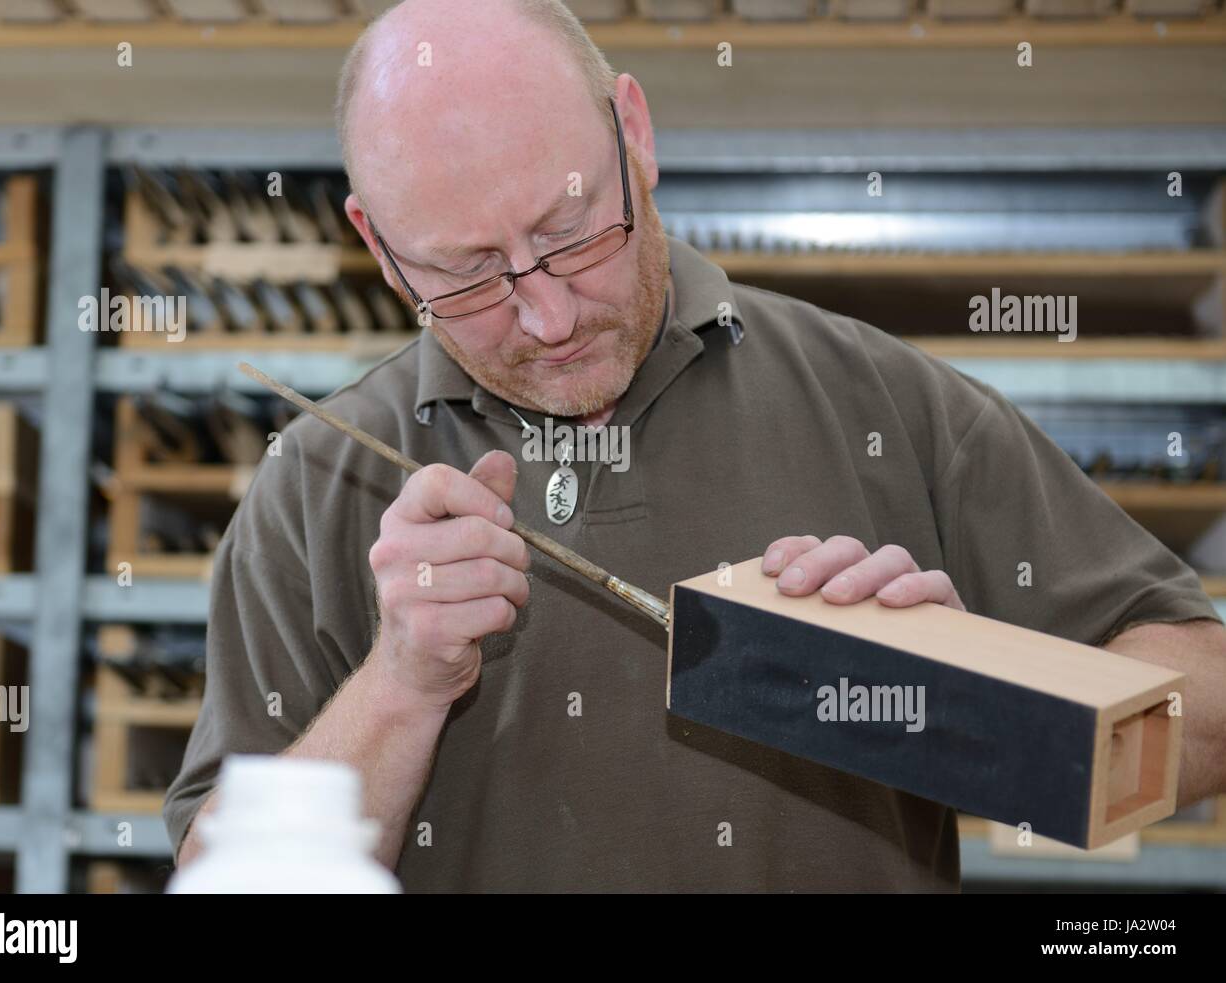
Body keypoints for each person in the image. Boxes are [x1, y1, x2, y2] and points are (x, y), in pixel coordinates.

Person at [165, 0, 1226, 892]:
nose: (544, 316)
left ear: (635, 132)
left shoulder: (880, 401)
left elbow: (1208, 702)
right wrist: (399, 681)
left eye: (572, 235)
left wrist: (957, 700)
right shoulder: (320, 478)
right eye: (470, 275)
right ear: (378, 249)